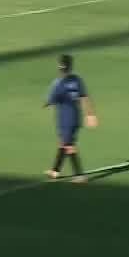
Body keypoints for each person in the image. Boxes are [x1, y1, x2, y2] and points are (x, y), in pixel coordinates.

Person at [44, 54, 98, 182]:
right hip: (75, 117)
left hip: (65, 119)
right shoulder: (77, 80)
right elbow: (84, 97)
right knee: (63, 143)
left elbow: (51, 100)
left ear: (60, 67)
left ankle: (79, 175)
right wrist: (90, 114)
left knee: (69, 146)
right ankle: (55, 171)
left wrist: (46, 103)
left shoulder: (58, 83)